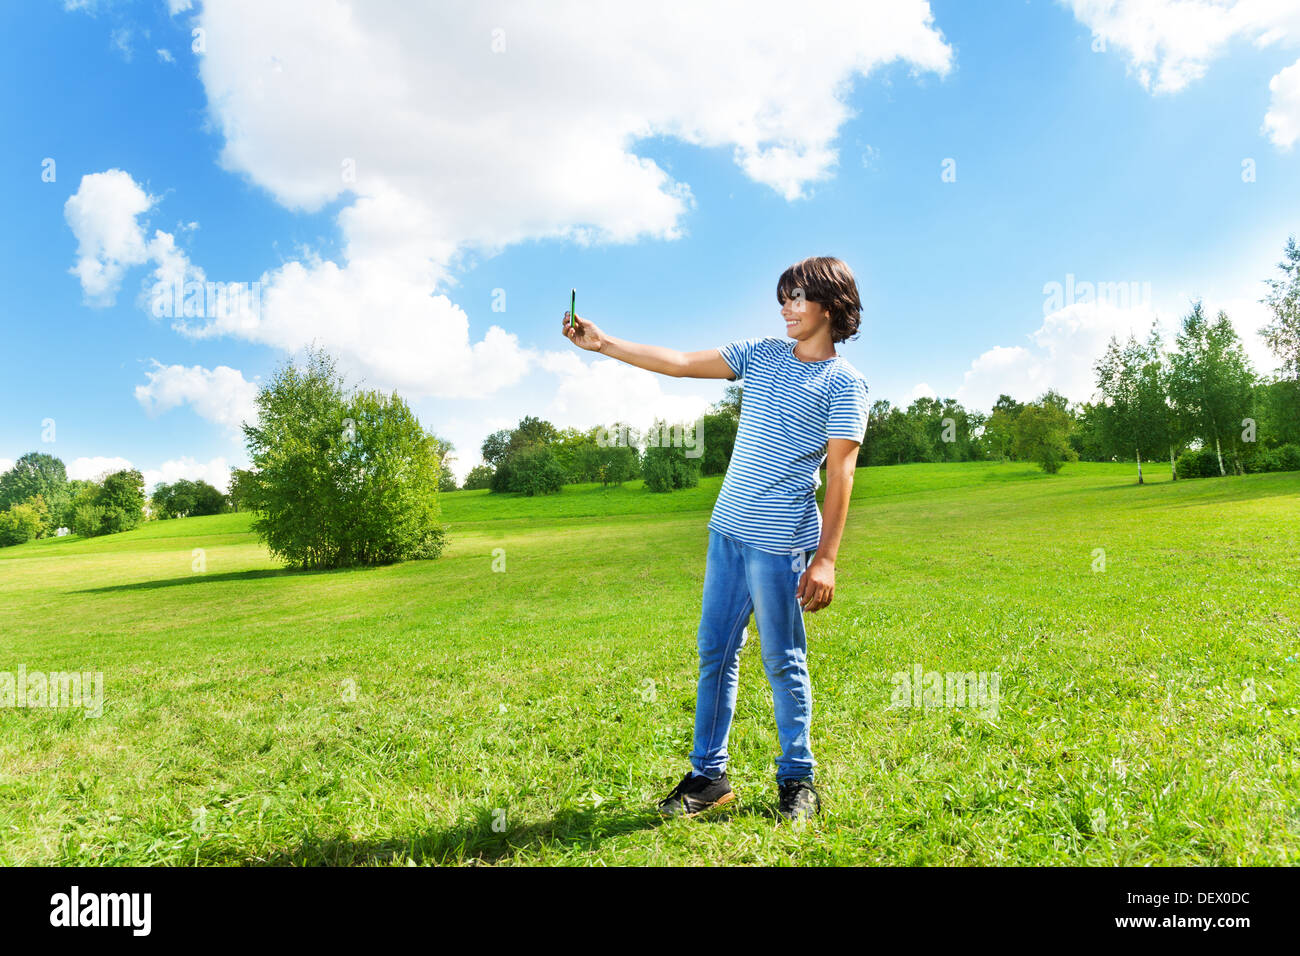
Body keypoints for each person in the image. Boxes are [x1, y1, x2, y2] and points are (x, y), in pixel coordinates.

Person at [561, 256, 870, 825]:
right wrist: (604, 344)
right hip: (727, 531)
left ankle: (796, 780)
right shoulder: (760, 354)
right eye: (783, 298)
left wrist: (825, 559)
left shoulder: (844, 383)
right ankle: (708, 777)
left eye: (797, 298)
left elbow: (842, 473)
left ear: (830, 305)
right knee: (715, 653)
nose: (785, 308)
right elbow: (678, 363)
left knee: (783, 660)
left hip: (780, 544)